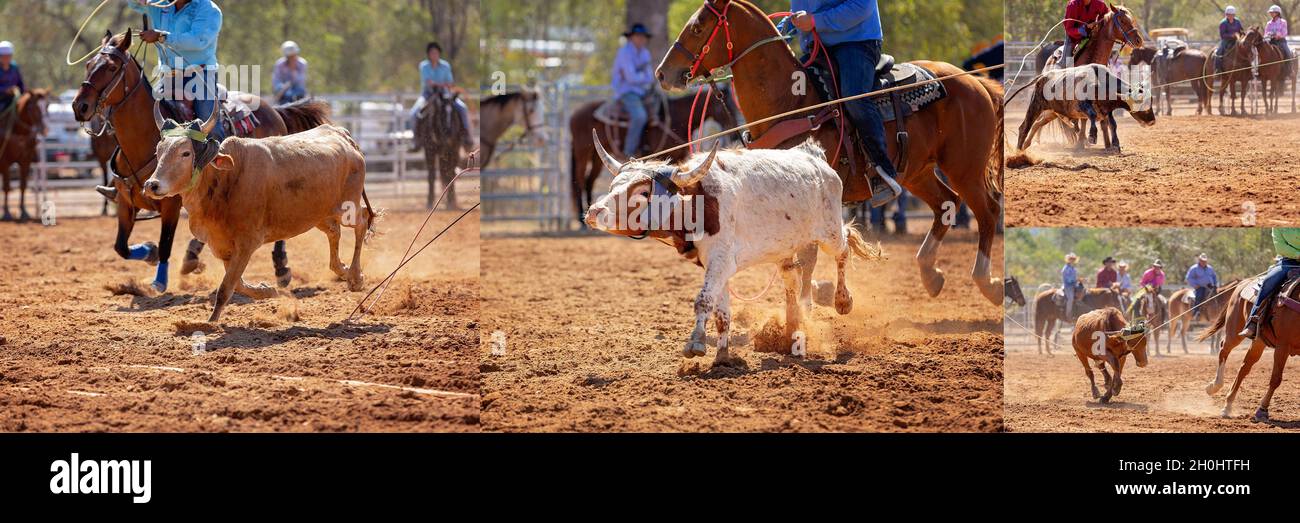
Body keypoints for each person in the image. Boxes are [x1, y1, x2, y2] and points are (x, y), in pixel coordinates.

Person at [99, 0, 224, 201]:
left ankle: (219, 182)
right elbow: (135, 4)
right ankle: (124, 181)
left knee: (209, 126)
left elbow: (199, 40)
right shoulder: (160, 5)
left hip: (200, 75)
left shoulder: (208, 10)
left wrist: (162, 36)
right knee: (138, 122)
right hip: (167, 77)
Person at [783, 0, 902, 208]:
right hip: (818, 48)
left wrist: (814, 21)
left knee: (853, 98)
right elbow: (797, 14)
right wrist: (779, 30)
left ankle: (882, 171)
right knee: (791, 96)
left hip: (857, 43)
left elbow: (861, 6)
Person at [411, 42, 474, 150]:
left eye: (436, 53)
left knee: (462, 108)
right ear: (428, 55)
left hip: (445, 94)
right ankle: (416, 139)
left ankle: (466, 136)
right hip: (428, 94)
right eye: (432, 53)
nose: (434, 55)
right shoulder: (424, 66)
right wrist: (441, 84)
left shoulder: (445, 65)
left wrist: (439, 84)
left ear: (439, 54)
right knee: (413, 112)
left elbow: (450, 83)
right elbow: (428, 83)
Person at [1240, 228, 1300, 338]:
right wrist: (1298, 254)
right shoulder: (1278, 225)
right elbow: (1280, 247)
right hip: (1288, 262)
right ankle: (1253, 322)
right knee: (1268, 283)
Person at [611, 23, 655, 159]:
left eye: (643, 37)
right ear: (631, 38)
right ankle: (628, 152)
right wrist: (642, 77)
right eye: (638, 36)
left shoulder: (645, 53)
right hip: (626, 90)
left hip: (642, 91)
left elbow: (650, 77)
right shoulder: (624, 52)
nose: (641, 39)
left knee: (661, 107)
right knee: (640, 116)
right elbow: (630, 79)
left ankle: (647, 146)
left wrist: (639, 77)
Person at [1063, 0, 1110, 67]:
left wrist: (1097, 23)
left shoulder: (1099, 3)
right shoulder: (1072, 5)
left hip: (1090, 34)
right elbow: (1069, 29)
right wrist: (1081, 29)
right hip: (1073, 37)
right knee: (1065, 61)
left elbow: (1105, 15)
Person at [1184, 253, 1219, 321]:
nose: (1204, 262)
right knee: (1199, 296)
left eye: (1205, 261)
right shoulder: (1194, 268)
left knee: (1217, 296)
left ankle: (1217, 312)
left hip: (1210, 286)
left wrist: (1215, 284)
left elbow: (1214, 276)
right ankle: (1196, 311)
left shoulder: (1210, 268)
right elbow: (1189, 278)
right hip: (1200, 287)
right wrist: (1196, 285)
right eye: (1202, 261)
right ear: (1199, 260)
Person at [1216, 6, 1244, 74]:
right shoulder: (1223, 23)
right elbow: (1222, 35)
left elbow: (1241, 30)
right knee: (1218, 52)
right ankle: (1217, 69)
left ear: (1234, 15)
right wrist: (1231, 35)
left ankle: (1248, 69)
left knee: (1246, 49)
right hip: (1226, 40)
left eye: (1232, 15)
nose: (1230, 16)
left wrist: (1242, 33)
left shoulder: (1237, 21)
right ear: (1226, 15)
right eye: (1228, 14)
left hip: (1237, 40)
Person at [0, 41, 24, 112]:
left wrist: (21, 91)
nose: (6, 58)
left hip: (14, 98)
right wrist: (5, 90)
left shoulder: (14, 67)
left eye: (8, 56)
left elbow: (20, 83)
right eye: (3, 56)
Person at [1062, 253, 1080, 319]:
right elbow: (1067, 279)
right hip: (1068, 286)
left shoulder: (1073, 268)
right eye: (1071, 259)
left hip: (1074, 285)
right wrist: (1075, 280)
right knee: (1070, 299)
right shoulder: (1066, 268)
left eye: (1073, 259)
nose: (1072, 260)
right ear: (1068, 260)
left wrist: (1078, 280)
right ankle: (1068, 314)